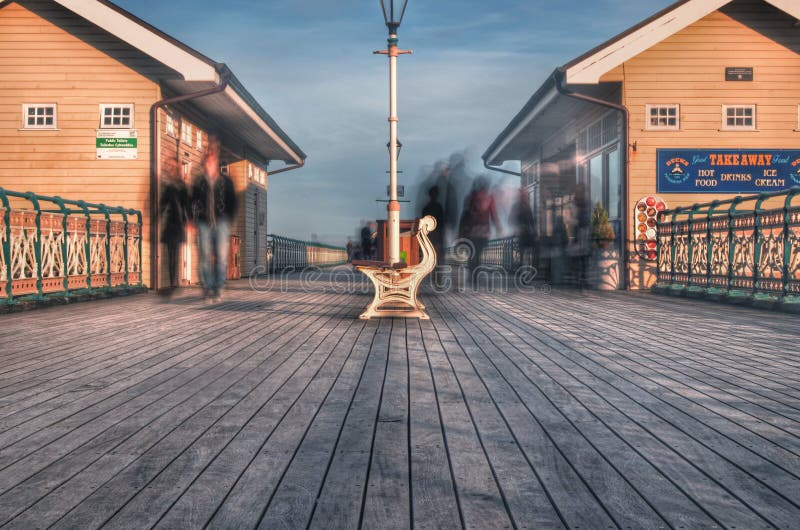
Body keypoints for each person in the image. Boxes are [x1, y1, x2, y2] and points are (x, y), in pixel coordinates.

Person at [191, 135, 238, 302]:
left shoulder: (226, 182)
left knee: (221, 257)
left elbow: (233, 202)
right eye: (206, 162)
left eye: (210, 162)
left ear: (215, 164)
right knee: (204, 256)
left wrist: (228, 220)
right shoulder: (199, 182)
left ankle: (218, 288)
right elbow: (193, 202)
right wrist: (192, 219)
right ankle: (207, 287)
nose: (207, 165)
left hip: (221, 223)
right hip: (203, 222)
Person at [159, 158, 189, 294]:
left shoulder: (181, 187)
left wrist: (189, 221)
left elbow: (186, 205)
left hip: (178, 224)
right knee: (171, 253)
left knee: (175, 253)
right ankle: (173, 281)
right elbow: (162, 205)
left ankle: (174, 281)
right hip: (172, 224)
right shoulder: (170, 187)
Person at [459, 176, 500, 274]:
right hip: (483, 232)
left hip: (470, 231)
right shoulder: (489, 198)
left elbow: (464, 216)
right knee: (478, 253)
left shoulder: (469, 198)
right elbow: (494, 216)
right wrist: (499, 228)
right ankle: (476, 272)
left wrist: (461, 232)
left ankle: (472, 271)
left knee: (471, 253)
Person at [509, 186, 537, 269]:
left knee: (530, 254)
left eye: (526, 195)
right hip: (522, 234)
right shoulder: (516, 206)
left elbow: (532, 221)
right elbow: (510, 220)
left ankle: (530, 272)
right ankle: (520, 273)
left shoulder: (528, 206)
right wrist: (517, 228)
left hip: (529, 234)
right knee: (521, 255)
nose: (525, 196)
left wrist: (535, 232)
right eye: (523, 195)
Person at [421, 185, 445, 261]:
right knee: (437, 253)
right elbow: (441, 223)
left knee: (429, 252)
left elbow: (423, 223)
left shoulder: (426, 208)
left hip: (429, 233)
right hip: (437, 232)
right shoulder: (439, 207)